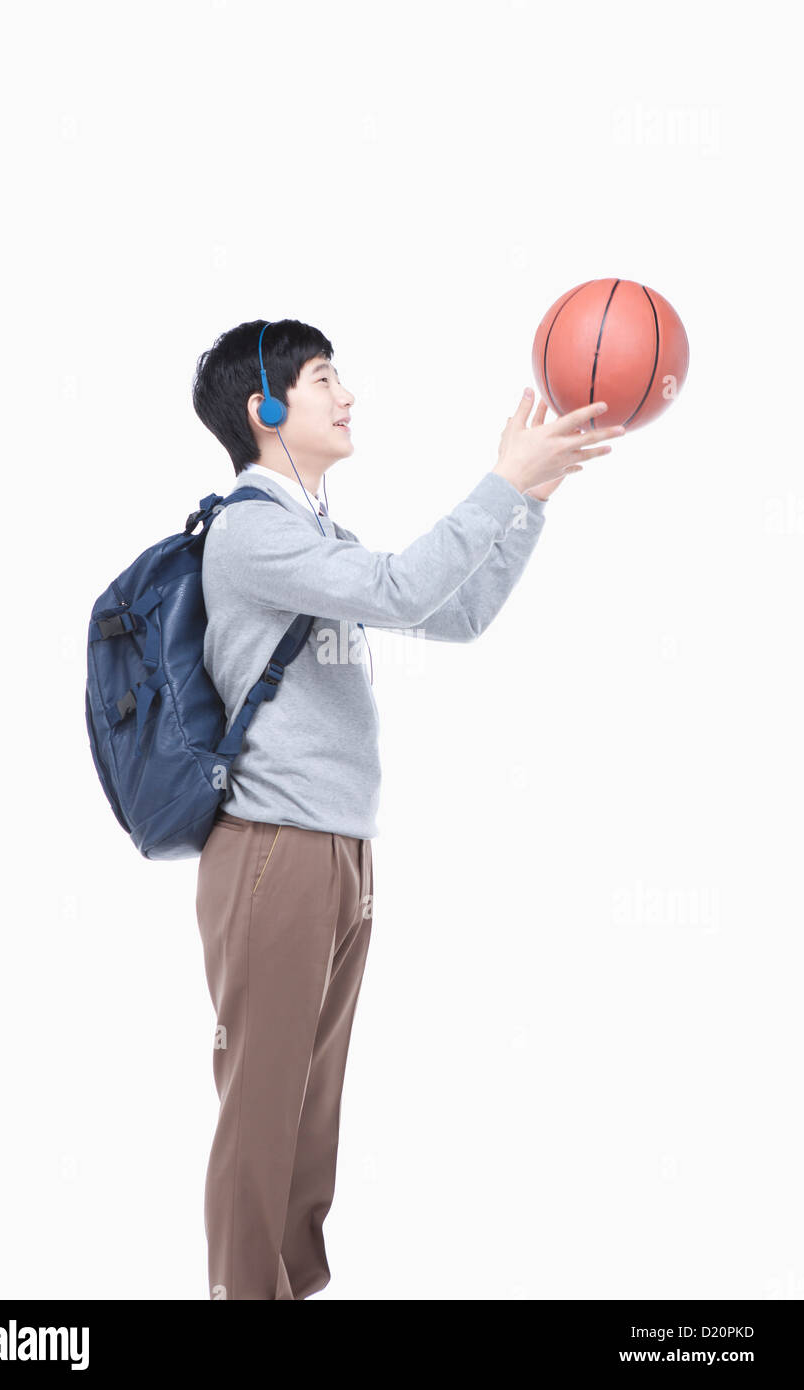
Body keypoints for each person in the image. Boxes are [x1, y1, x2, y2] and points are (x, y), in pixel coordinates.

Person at [190, 317, 625, 1300]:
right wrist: (501, 483)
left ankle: (288, 1288)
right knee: (262, 1109)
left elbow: (450, 611)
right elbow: (400, 582)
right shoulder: (251, 530)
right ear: (262, 408)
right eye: (320, 378)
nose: (345, 394)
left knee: (310, 1109)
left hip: (337, 849)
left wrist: (531, 502)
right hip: (275, 852)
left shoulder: (313, 535)